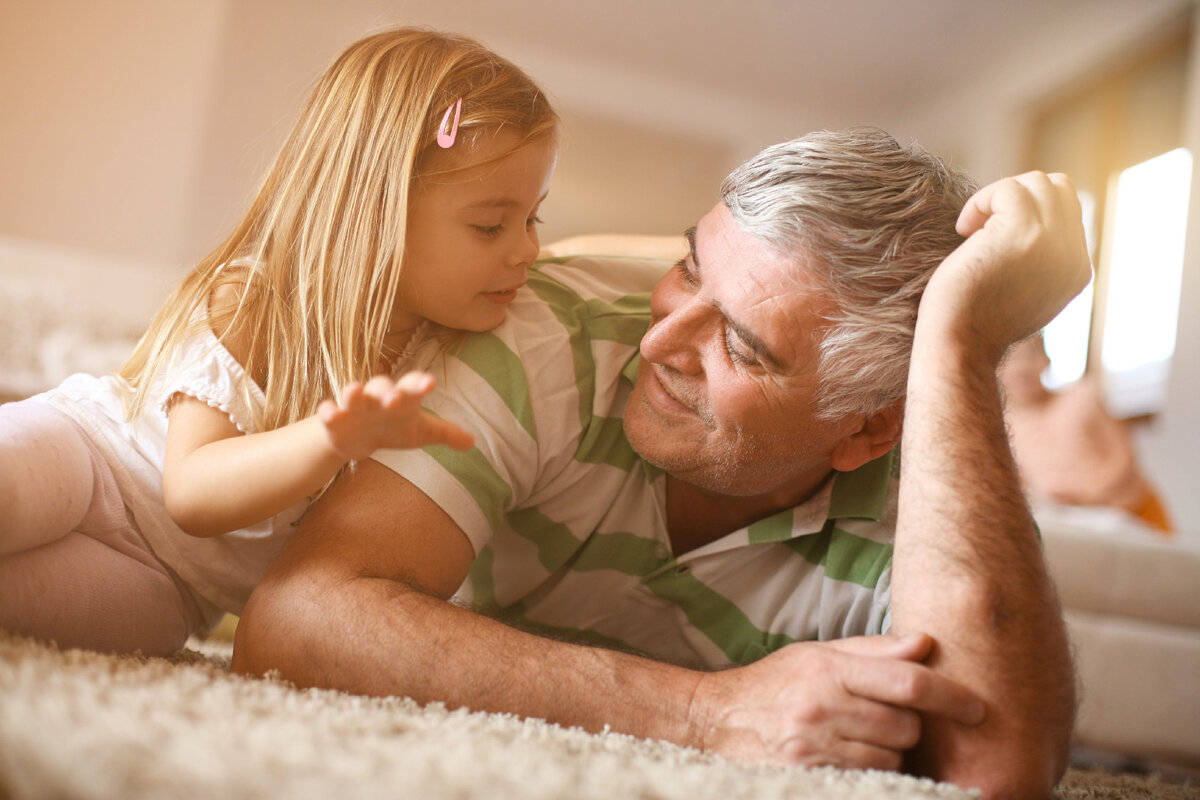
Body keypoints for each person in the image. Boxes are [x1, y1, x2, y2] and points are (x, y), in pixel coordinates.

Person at [232, 129, 1091, 799]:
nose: (659, 342)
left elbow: (995, 767)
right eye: (688, 269)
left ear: (870, 428)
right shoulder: (548, 335)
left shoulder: (926, 478)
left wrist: (958, 339)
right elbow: (294, 617)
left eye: (743, 348)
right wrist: (704, 712)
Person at [0, 28, 557, 656]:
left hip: (174, 587)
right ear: (377, 213)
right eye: (491, 226)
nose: (529, 250)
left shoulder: (456, 359)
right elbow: (192, 493)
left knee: (112, 627)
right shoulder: (258, 301)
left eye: (534, 217)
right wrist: (329, 440)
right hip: (90, 461)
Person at [999, 332, 1173, 533]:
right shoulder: (1005, 426)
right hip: (1072, 523)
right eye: (1009, 359)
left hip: (1132, 512)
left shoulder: (1082, 395)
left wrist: (1089, 496)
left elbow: (1126, 455)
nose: (1021, 368)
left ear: (1046, 360)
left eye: (1029, 356)